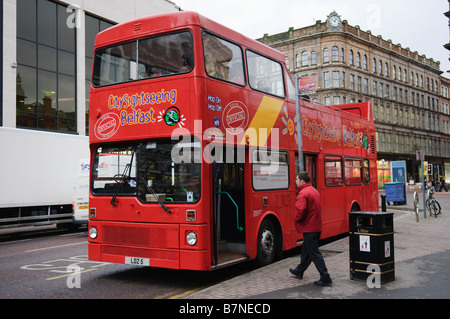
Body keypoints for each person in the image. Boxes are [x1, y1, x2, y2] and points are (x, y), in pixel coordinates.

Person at [289, 172, 332, 286]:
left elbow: (300, 212)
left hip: (309, 228)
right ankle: (299, 270)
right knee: (306, 251)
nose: (295, 182)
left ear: (302, 181)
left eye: (297, 180)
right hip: (316, 226)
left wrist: (295, 219)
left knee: (314, 253)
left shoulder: (303, 193)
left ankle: (325, 276)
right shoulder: (314, 190)